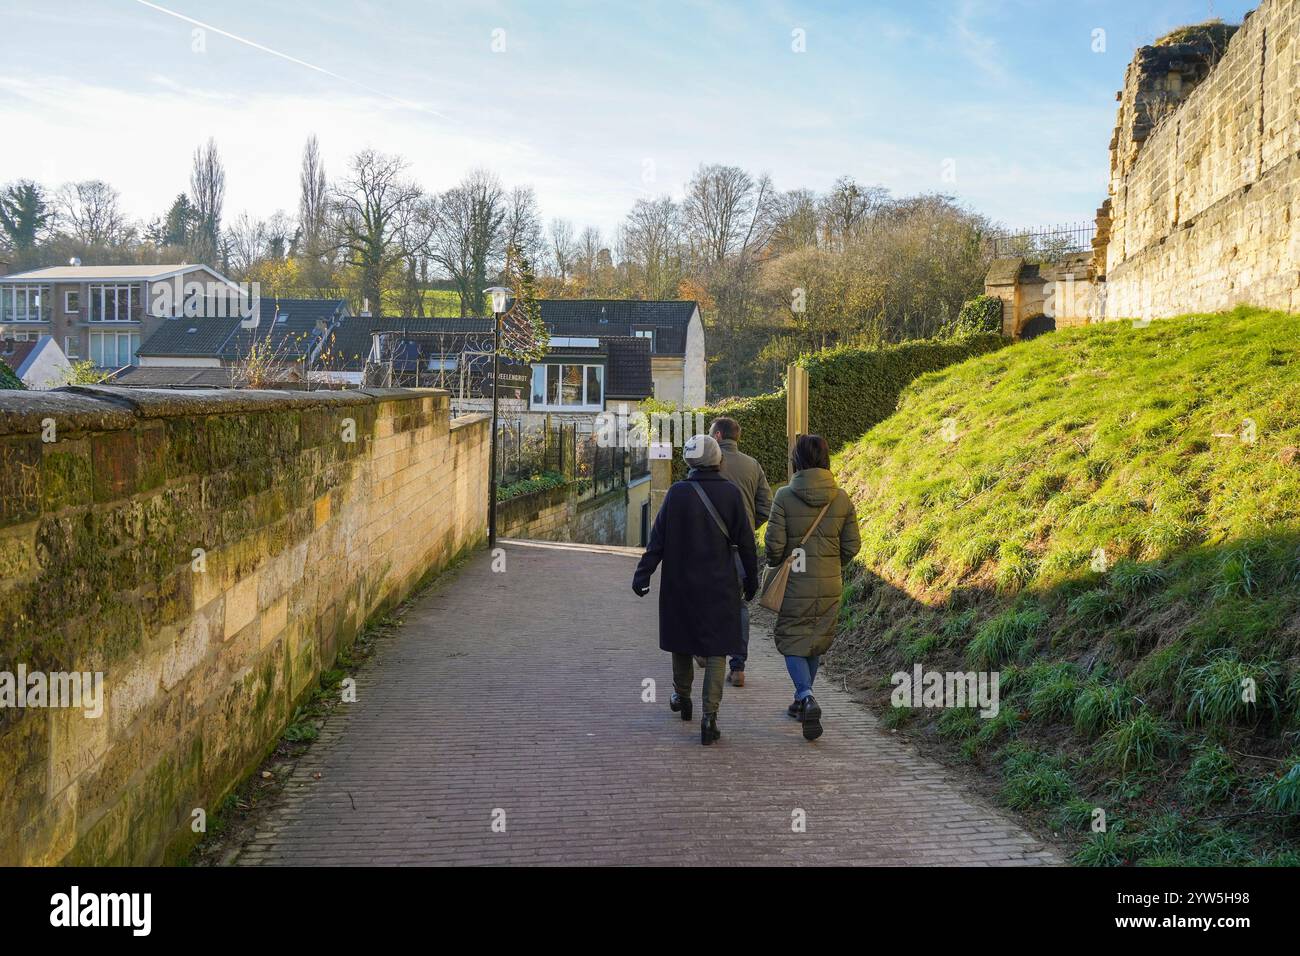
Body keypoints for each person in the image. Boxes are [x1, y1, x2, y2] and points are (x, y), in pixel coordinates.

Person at [633, 434, 759, 745]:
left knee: (682, 641)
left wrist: (643, 574)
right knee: (717, 649)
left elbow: (657, 539)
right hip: (720, 585)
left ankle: (681, 694)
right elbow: (746, 542)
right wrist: (752, 580)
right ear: (717, 460)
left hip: (680, 584)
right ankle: (710, 717)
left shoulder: (676, 494)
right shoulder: (731, 494)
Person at [764, 434, 860, 742]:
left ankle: (805, 696)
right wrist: (833, 563)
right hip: (830, 580)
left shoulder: (783, 496)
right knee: (815, 640)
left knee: (793, 640)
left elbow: (775, 546)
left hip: (795, 580)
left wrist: (777, 561)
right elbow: (852, 546)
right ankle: (800, 700)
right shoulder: (842, 498)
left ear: (798, 461)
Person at [710, 416, 772, 688]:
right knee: (739, 607)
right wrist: (748, 527)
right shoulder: (753, 465)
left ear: (720, 436)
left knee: (706, 601)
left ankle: (707, 652)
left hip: (709, 547)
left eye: (712, 434)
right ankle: (738, 668)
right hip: (740, 548)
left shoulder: (709, 463)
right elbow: (766, 508)